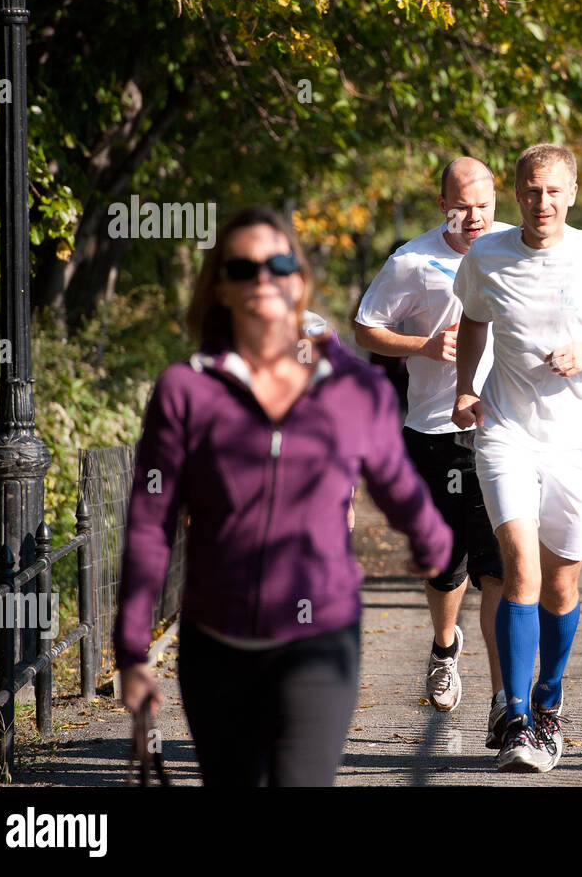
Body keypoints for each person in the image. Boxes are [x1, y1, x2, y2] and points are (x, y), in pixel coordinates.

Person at [115, 206, 451, 786]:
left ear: (300, 281)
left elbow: (394, 480)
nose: (263, 278)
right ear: (219, 286)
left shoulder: (350, 388)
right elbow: (150, 522)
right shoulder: (187, 389)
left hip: (319, 637)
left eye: (278, 264)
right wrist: (132, 653)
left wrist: (431, 538)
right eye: (243, 268)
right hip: (215, 641)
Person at [451, 143, 582, 773]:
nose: (542, 202)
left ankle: (548, 699)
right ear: (516, 194)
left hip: (581, 442)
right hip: (507, 430)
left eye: (553, 191)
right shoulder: (488, 254)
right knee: (519, 568)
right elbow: (472, 323)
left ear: (572, 193)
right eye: (530, 190)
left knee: (562, 581)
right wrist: (465, 386)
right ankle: (515, 715)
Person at [352, 157, 515, 747]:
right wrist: (422, 344)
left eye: (484, 205)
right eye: (462, 206)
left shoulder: (516, 249)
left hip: (505, 429)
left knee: (498, 566)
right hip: (435, 428)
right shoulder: (411, 261)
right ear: (441, 201)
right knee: (448, 564)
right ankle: (445, 647)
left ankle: (506, 700)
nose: (474, 218)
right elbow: (365, 328)